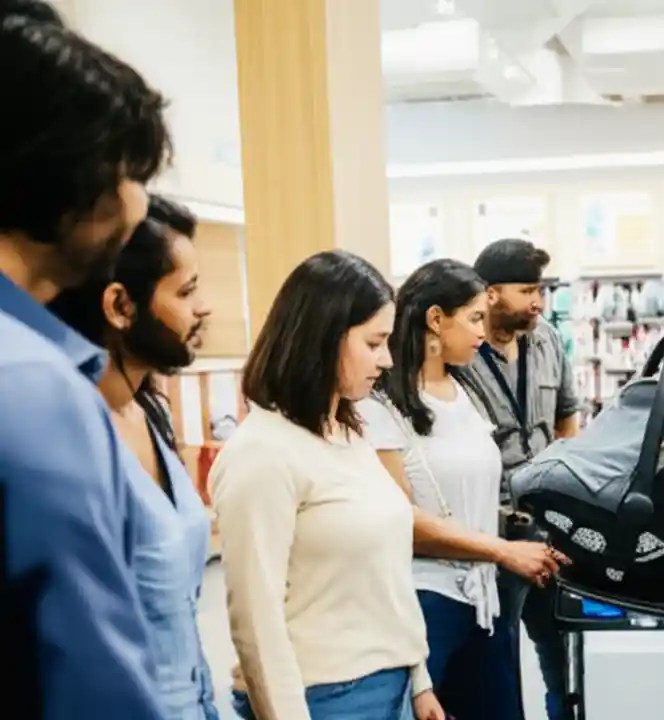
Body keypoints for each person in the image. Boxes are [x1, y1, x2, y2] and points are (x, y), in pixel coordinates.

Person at [0, 2, 172, 717]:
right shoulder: (32, 387)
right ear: (81, 179)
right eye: (134, 176)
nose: (140, 206)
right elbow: (91, 679)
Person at [210, 251, 446, 720]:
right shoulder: (262, 454)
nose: (386, 360)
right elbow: (256, 623)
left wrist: (419, 680)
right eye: (374, 342)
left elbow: (387, 576)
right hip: (323, 697)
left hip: (391, 685)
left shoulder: (347, 432)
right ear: (323, 336)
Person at [359, 258, 567, 720]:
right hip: (426, 603)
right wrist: (502, 551)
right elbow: (402, 523)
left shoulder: (466, 391)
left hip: (483, 601)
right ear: (436, 319)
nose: (482, 331)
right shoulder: (382, 407)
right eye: (474, 318)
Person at [47, 196, 219, 719]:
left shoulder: (146, 413)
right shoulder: (70, 438)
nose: (204, 307)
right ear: (120, 306)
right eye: (186, 291)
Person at [459, 238, 580, 720]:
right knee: (497, 658)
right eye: (527, 290)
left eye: (541, 290)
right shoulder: (461, 352)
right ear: (490, 293)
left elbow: (567, 412)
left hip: (552, 524)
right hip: (494, 528)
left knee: (562, 655)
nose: (538, 302)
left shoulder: (546, 339)